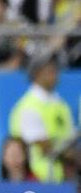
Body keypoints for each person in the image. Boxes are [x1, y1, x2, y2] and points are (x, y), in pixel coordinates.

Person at [9, 54, 75, 182]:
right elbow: (45, 147)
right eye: (49, 70)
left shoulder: (61, 104)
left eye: (56, 69)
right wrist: (74, 156)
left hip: (63, 179)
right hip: (36, 181)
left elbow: (70, 139)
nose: (55, 74)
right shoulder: (28, 106)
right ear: (37, 74)